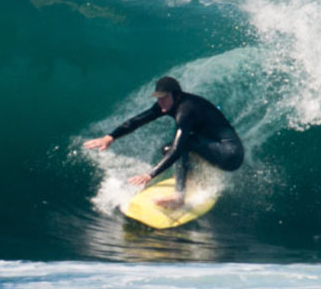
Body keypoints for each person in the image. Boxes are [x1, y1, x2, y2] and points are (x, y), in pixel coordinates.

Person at [83, 76, 244, 208]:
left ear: (177, 95)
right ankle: (192, 176)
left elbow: (178, 149)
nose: (160, 102)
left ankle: (179, 197)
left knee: (180, 145)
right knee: (168, 149)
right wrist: (110, 137)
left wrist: (150, 175)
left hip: (230, 155)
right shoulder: (168, 104)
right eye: (158, 98)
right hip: (211, 145)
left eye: (164, 98)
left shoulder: (186, 110)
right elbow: (138, 120)